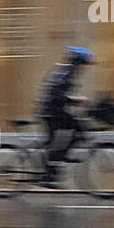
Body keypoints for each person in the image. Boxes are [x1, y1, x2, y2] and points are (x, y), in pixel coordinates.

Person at [35, 46, 93, 185]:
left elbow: (58, 94)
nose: (86, 67)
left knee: (74, 132)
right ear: (77, 62)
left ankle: (54, 167)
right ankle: (51, 173)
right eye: (84, 63)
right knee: (73, 133)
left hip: (53, 110)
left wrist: (71, 100)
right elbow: (56, 95)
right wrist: (74, 100)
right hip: (50, 111)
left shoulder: (65, 71)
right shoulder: (65, 73)